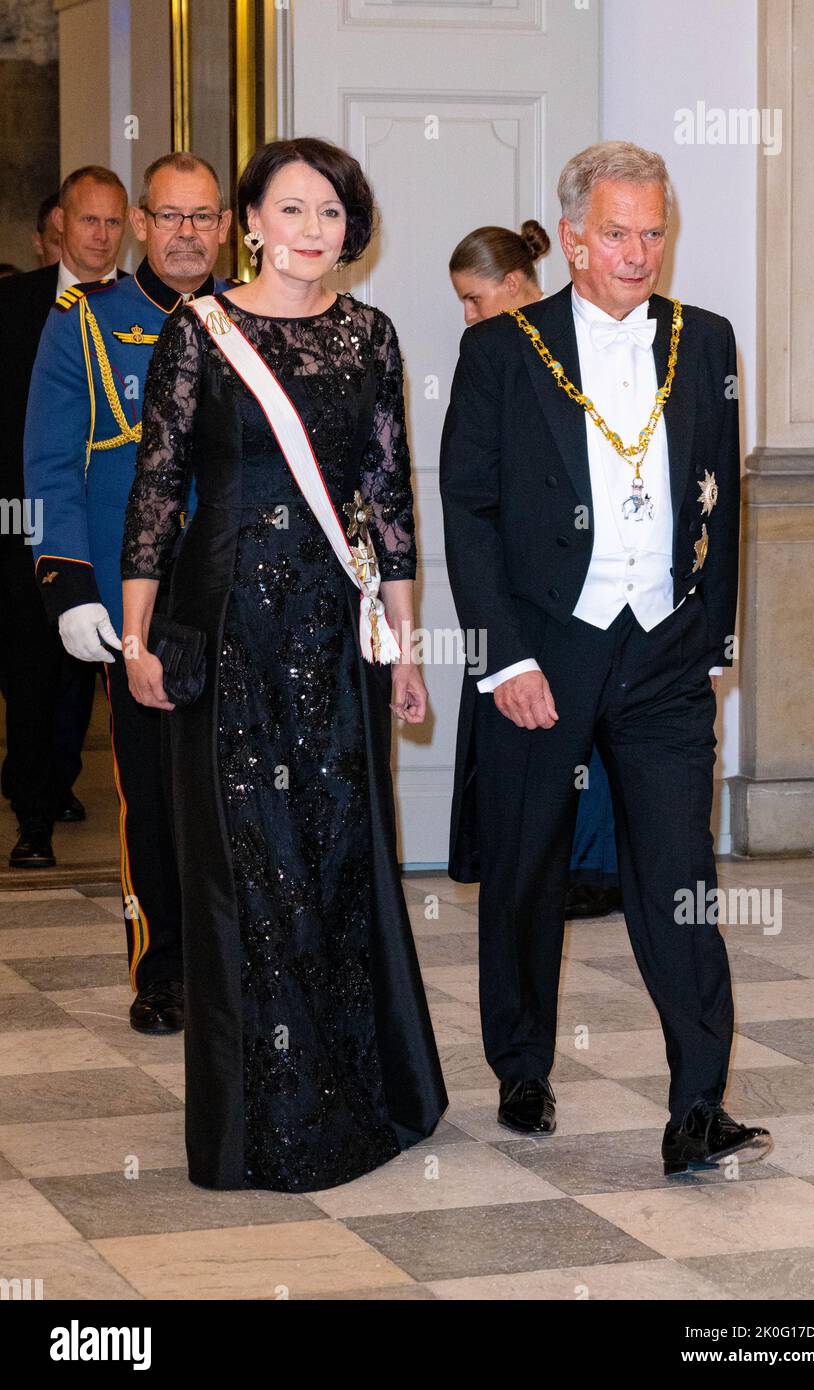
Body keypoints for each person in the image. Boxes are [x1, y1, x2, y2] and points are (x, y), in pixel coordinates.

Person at [120, 136, 446, 1192]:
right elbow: (157, 489)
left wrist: (402, 642)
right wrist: (136, 636)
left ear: (352, 230)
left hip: (333, 633)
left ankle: (358, 1087)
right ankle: (259, 1114)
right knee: (246, 868)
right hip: (225, 631)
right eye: (292, 209)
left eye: (332, 212)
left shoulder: (369, 336)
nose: (313, 230)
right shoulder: (199, 331)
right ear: (251, 222)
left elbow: (388, 501)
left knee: (338, 852)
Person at [440, 140, 772, 1177]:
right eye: (617, 233)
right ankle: (521, 1067)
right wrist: (502, 661)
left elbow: (721, 499)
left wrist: (709, 639)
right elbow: (468, 513)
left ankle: (697, 1104)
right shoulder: (504, 351)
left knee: (680, 876)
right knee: (525, 867)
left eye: (653, 232)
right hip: (544, 649)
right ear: (573, 238)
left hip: (663, 652)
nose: (638, 253)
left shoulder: (705, 340)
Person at [24, 153, 234, 1032]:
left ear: (226, 227)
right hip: (132, 599)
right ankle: (165, 968)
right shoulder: (86, 321)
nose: (186, 234)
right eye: (169, 216)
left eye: (203, 217)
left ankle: (237, 964)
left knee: (234, 789)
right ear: (142, 224)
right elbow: (51, 464)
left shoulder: (252, 319)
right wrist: (69, 585)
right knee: (151, 794)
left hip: (233, 594)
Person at [449, 221, 622, 921]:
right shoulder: (488, 353)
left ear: (517, 283)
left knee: (589, 736)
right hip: (514, 590)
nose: (468, 314)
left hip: (586, 589)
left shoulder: (587, 345)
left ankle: (593, 866)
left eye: (475, 297)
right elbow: (470, 493)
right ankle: (534, 863)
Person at [0, 166, 127, 868]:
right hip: (24, 521)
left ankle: (58, 779)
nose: (100, 236)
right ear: (60, 225)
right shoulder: (14, 305)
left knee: (84, 672)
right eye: (88, 220)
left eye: (112, 222)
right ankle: (32, 813)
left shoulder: (140, 307)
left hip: (107, 526)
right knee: (30, 669)